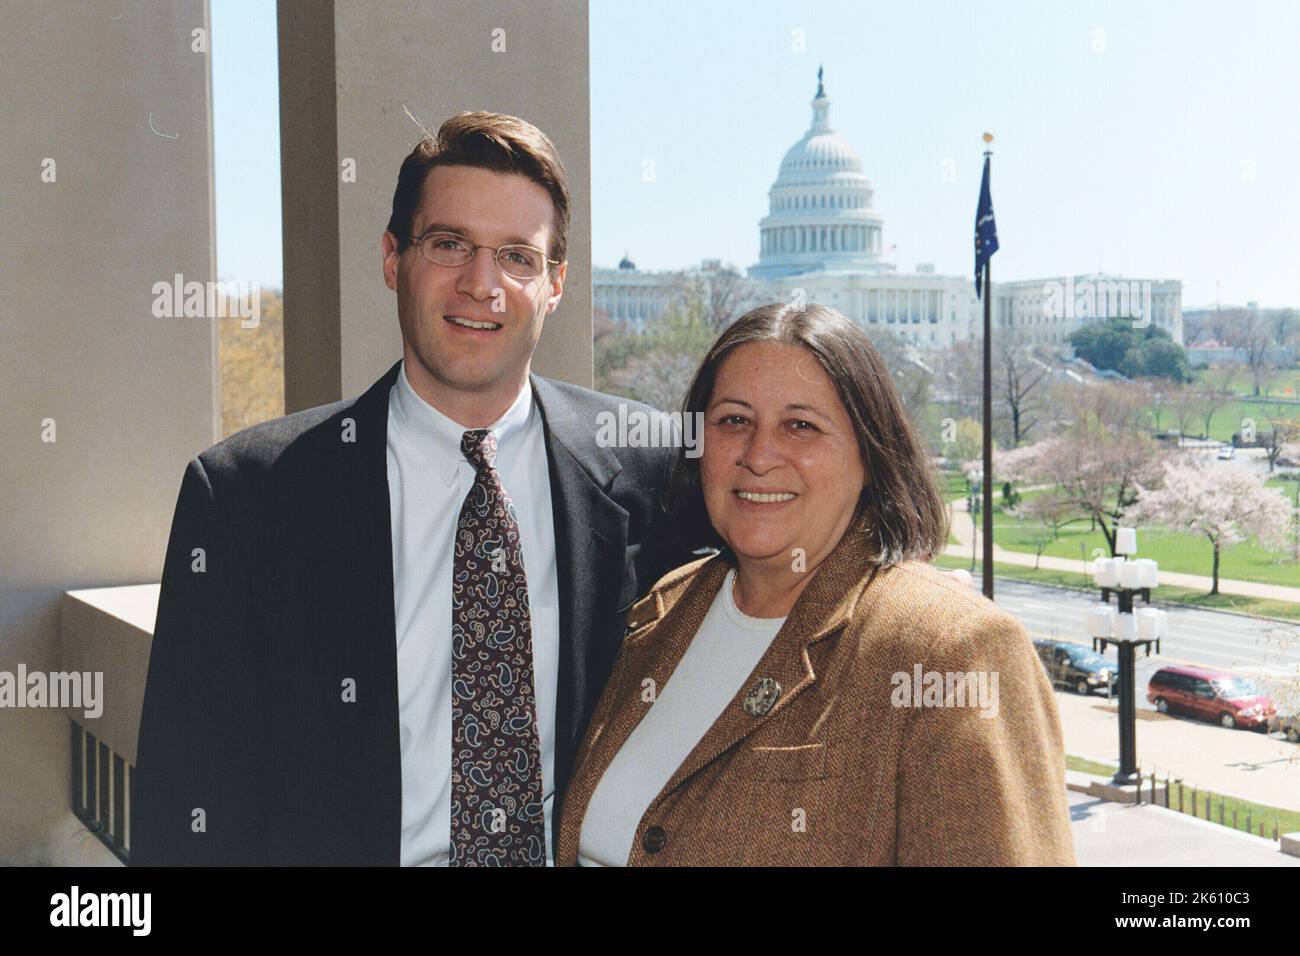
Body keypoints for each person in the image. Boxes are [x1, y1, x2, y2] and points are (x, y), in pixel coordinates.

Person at [131, 111, 695, 866]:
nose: (481, 283)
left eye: (517, 257)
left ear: (555, 285)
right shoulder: (244, 499)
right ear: (394, 258)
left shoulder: (650, 467)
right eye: (449, 244)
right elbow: (187, 799)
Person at [557, 302, 1078, 866]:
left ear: (870, 454)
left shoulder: (949, 651)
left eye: (801, 426)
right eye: (733, 420)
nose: (759, 456)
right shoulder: (660, 612)